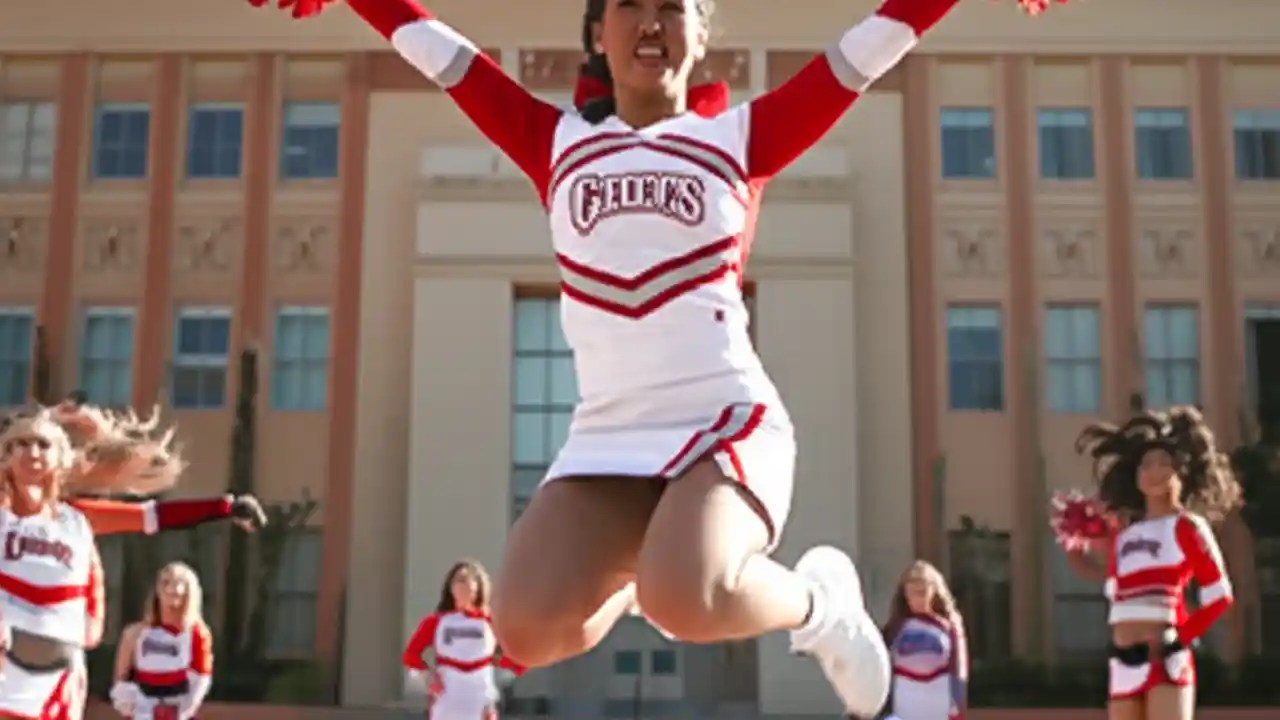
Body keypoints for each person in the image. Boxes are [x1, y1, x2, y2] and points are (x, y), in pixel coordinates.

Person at [247, 0, 979, 714]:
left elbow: (865, 50)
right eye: (629, 4)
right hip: (610, 434)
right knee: (526, 629)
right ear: (599, 31)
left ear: (700, 34)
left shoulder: (739, 138)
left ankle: (823, 607)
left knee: (692, 599)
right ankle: (643, 573)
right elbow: (445, 55)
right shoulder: (555, 141)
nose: (651, 21)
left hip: (725, 421)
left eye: (673, 6)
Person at [0, 405, 260, 720]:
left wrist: (224, 507)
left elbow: (153, 516)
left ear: (61, 458)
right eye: (22, 444)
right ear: (6, 455)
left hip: (59, 669)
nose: (33, 452)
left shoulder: (77, 520)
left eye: (43, 444)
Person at [1062, 406, 1240, 720]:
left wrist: (1179, 639)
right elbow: (1111, 586)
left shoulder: (1187, 526)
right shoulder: (1125, 532)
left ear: (1182, 474)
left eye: (1165, 464)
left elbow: (1219, 594)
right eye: (1146, 464)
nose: (1154, 471)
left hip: (1164, 657)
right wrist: (1072, 544)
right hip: (1122, 659)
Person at [402, 560, 524, 720]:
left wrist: (502, 672)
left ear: (478, 587)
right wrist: (428, 677)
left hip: (481, 699)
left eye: (469, 579)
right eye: (459, 579)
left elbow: (519, 660)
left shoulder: (492, 622)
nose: (463, 583)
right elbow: (410, 656)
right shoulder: (434, 622)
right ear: (450, 586)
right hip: (446, 701)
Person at [109, 563, 213, 720]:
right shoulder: (135, 633)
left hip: (180, 710)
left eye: (179, 583)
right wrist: (134, 706)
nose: (172, 589)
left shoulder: (197, 633)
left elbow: (201, 680)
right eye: (165, 582)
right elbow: (121, 681)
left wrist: (180, 712)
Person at [881, 561, 967, 720]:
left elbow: (959, 666)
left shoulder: (949, 623)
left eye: (922, 592)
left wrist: (958, 702)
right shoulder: (897, 625)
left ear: (934, 591)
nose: (917, 599)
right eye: (911, 593)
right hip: (906, 694)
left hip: (939, 694)